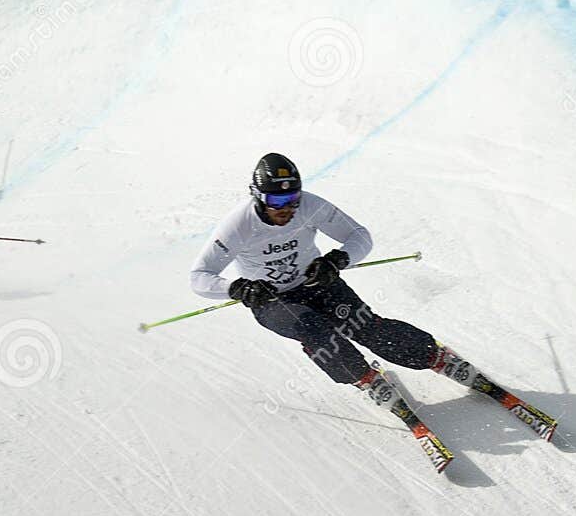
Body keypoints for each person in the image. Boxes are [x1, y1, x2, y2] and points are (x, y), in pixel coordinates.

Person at [188, 153, 492, 409]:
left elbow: (359, 236)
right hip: (273, 301)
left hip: (317, 284)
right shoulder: (238, 225)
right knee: (317, 332)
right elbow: (199, 277)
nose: (286, 208)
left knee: (365, 327)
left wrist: (337, 260)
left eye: (292, 198)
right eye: (276, 200)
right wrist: (238, 288)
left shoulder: (310, 206)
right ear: (257, 195)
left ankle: (434, 356)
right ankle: (364, 378)